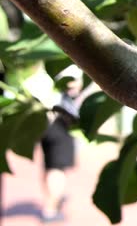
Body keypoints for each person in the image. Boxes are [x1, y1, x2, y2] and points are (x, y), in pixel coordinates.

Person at [38, 65, 82, 223]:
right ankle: (50, 209)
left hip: (45, 121)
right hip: (60, 123)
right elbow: (73, 88)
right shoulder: (72, 67)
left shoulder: (47, 68)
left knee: (49, 166)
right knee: (57, 169)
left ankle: (50, 202)